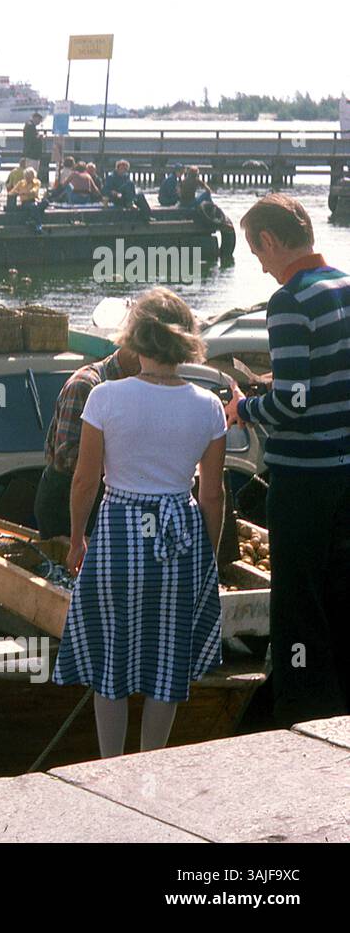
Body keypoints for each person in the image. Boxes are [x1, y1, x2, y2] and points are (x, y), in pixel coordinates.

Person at [54, 289, 229, 758]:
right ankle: (154, 762)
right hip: (180, 538)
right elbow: (212, 494)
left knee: (112, 654)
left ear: (135, 338)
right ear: (185, 341)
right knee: (168, 660)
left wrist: (76, 539)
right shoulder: (208, 405)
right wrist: (207, 556)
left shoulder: (106, 396)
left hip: (117, 533)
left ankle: (113, 766)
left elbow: (84, 481)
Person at [224, 194, 350, 724]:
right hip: (344, 471)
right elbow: (325, 379)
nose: (259, 264)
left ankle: (300, 705)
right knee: (339, 590)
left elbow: (293, 402)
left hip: (304, 479)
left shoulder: (289, 301)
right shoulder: (343, 283)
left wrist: (245, 407)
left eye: (257, 252)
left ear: (271, 241)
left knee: (297, 603)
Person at [35, 343, 141, 540]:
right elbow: (67, 456)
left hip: (101, 495)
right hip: (65, 500)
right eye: (140, 348)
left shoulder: (137, 387)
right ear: (127, 341)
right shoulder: (86, 385)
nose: (142, 357)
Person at [7, 166, 44, 234]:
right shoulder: (21, 183)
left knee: (44, 203)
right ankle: (38, 224)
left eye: (29, 177)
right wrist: (16, 193)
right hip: (26, 202)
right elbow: (12, 192)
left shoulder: (37, 182)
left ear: (33, 176)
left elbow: (34, 191)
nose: (27, 178)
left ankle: (32, 220)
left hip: (35, 200)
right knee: (34, 207)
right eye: (26, 176)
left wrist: (24, 193)